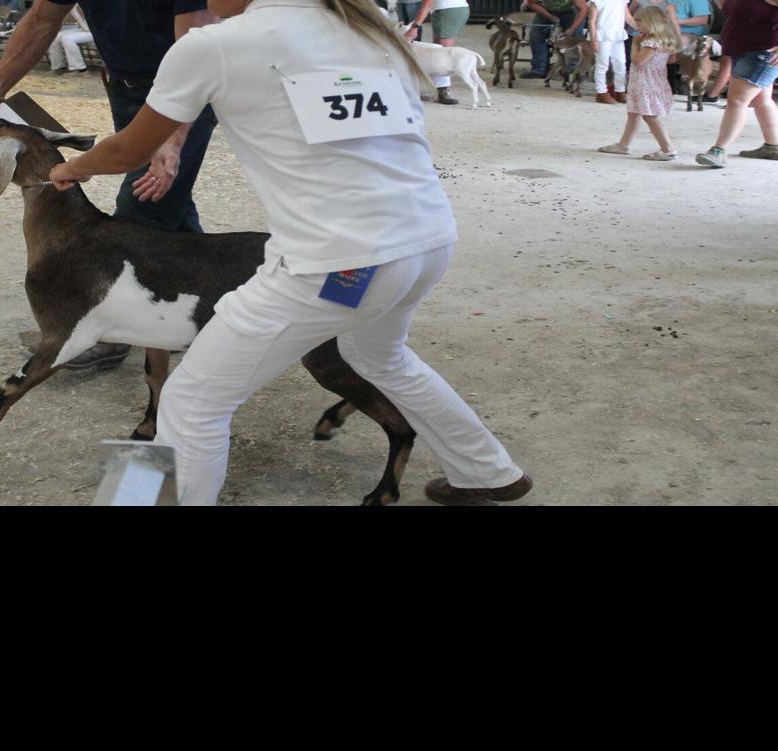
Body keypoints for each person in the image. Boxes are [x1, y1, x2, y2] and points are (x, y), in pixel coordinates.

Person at [47, 0, 531, 506]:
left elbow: (129, 149)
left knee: (192, 399)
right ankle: (488, 471)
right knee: (380, 357)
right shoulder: (369, 26)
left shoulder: (215, 44)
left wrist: (73, 168)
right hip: (426, 240)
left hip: (334, 262)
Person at [0, 0, 221, 371]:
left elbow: (198, 38)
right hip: (126, 86)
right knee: (171, 206)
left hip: (182, 90)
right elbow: (42, 18)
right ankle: (208, 314)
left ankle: (109, 334)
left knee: (140, 205)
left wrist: (171, 136)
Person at [695, 0, 778, 168]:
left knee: (737, 101)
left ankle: (718, 150)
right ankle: (773, 146)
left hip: (765, 53)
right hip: (743, 49)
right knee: (762, 100)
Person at [596, 6, 681, 159]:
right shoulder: (664, 40)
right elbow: (671, 60)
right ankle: (623, 144)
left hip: (645, 83)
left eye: (640, 24)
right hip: (650, 80)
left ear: (651, 23)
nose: (638, 27)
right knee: (634, 113)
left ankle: (668, 149)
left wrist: (635, 44)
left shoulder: (650, 43)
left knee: (650, 115)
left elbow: (637, 61)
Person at [407, 0, 470, 105]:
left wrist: (415, 27)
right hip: (452, 9)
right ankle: (439, 90)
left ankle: (443, 91)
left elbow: (427, 4)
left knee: (442, 53)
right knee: (440, 51)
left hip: (447, 10)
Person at [521, 0, 588, 81]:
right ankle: (539, 69)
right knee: (536, 36)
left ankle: (570, 71)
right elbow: (531, 3)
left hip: (570, 10)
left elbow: (583, 9)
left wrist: (572, 29)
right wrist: (549, 16)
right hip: (546, 9)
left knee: (575, 39)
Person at [587, 0, 631, 103]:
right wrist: (594, 40)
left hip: (617, 36)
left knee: (620, 64)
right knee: (602, 64)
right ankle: (601, 92)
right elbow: (592, 22)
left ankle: (620, 91)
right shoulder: (596, 1)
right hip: (602, 36)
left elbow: (628, 17)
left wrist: (639, 28)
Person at [46, 5, 95, 73]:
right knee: (55, 37)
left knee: (68, 39)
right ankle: (58, 66)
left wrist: (74, 11)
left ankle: (80, 69)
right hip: (84, 28)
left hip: (98, 31)